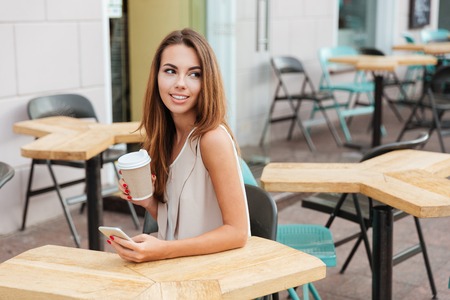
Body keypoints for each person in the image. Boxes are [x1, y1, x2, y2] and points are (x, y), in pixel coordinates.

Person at [108, 28, 250, 262]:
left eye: (194, 74)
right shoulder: (164, 137)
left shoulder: (212, 139)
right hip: (175, 265)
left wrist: (162, 250)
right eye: (170, 71)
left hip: (211, 274)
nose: (180, 83)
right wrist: (149, 202)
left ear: (207, 82)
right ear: (157, 76)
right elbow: (179, 223)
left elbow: (238, 233)